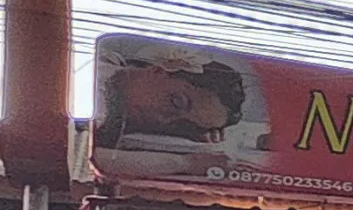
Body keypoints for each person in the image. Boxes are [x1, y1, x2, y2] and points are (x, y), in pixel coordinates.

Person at [97, 53, 248, 148]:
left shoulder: (111, 62)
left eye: (183, 122)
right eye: (177, 102)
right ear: (159, 70)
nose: (163, 119)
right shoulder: (96, 106)